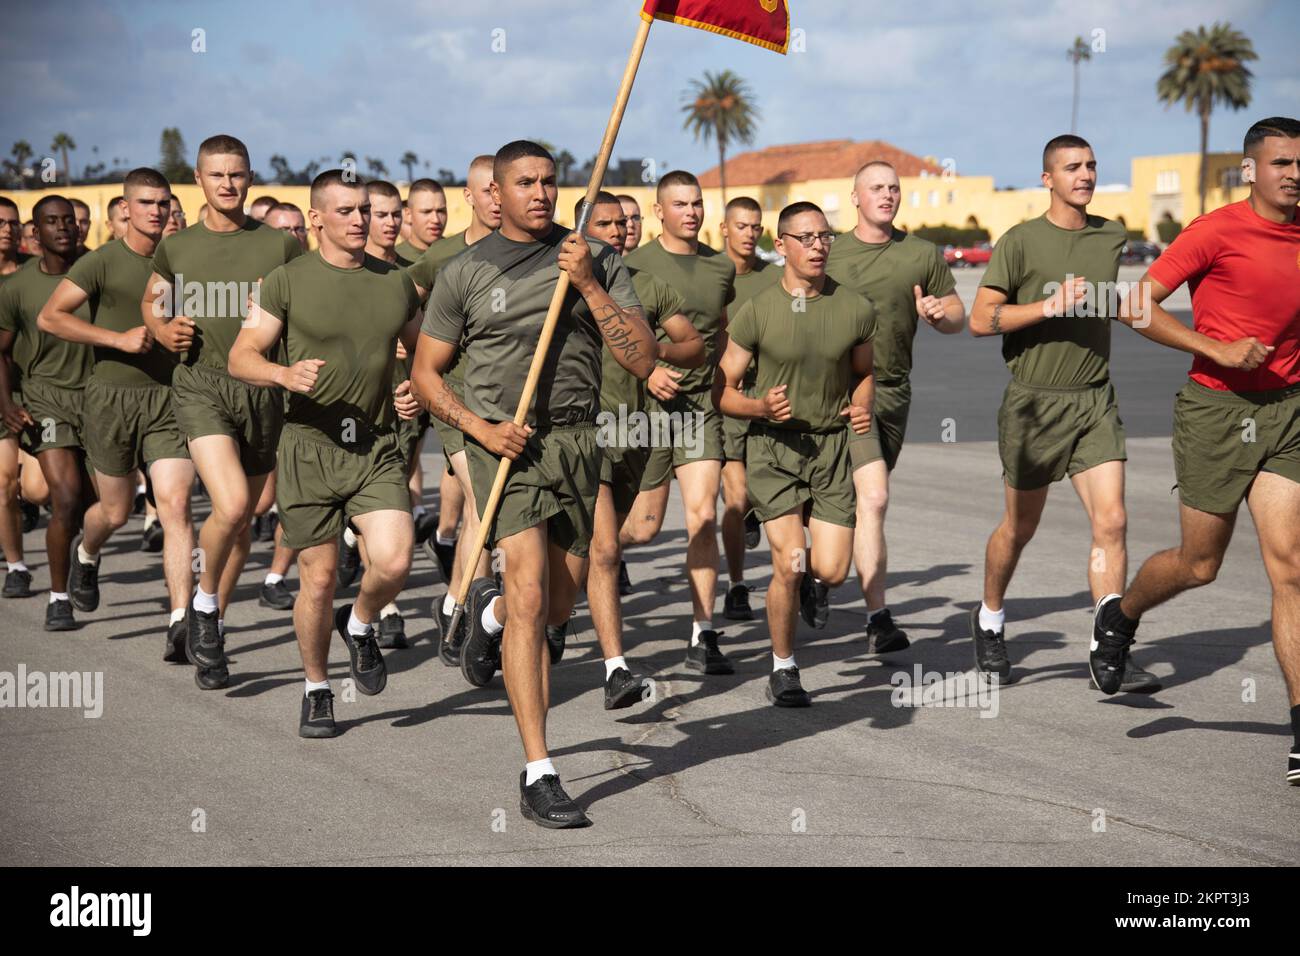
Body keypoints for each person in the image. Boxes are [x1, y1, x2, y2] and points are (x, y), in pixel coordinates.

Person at [412, 140, 657, 828]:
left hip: (578, 441)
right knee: (525, 592)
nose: (541, 193)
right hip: (506, 442)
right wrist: (478, 430)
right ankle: (540, 771)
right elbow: (427, 376)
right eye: (525, 182)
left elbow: (641, 359)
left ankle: (483, 622)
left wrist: (587, 285)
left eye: (551, 182)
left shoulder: (596, 259)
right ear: (498, 190)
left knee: (556, 605)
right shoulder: (465, 271)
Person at [1101, 117, 1300, 784]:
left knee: (1290, 565)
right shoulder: (1216, 231)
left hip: (1289, 414)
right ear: (1250, 170)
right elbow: (1135, 306)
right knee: (1199, 564)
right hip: (1217, 412)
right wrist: (1216, 348)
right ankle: (1123, 618)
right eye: (1280, 163)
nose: (1294, 173)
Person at [230, 168, 424, 738]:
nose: (361, 220)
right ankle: (317, 687)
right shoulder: (284, 283)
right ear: (316, 219)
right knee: (315, 579)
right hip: (309, 448)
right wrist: (283, 373)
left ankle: (359, 622)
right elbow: (242, 356)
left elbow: (420, 357)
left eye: (365, 209)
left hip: (376, 446)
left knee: (392, 561)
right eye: (346, 211)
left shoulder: (396, 283)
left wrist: (412, 389)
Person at [967, 135, 1156, 692]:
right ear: (1047, 178)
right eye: (1072, 167)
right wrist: (1050, 305)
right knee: (1020, 528)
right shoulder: (1020, 241)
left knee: (1114, 521)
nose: (1086, 174)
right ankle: (990, 618)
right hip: (1033, 402)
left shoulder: (1110, 235)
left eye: (1092, 165)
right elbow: (982, 320)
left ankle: (1109, 646)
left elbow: (1120, 304)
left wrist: (1207, 341)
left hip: (1094, 397)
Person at [141, 133, 303, 690]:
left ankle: (209, 617)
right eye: (217, 175)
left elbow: (305, 306)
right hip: (202, 385)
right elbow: (153, 300)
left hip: (262, 391)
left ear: (251, 178)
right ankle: (201, 607)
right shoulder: (177, 247)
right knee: (232, 506)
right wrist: (164, 328)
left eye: (237, 175)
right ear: (199, 180)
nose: (228, 185)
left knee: (248, 513)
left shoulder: (280, 245)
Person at [716, 202, 875, 705]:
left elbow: (865, 373)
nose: (818, 246)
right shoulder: (758, 310)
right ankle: (784, 667)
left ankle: (814, 585)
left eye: (825, 236)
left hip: (830, 448)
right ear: (781, 245)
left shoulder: (855, 307)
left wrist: (862, 406)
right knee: (789, 561)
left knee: (831, 570)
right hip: (775, 451)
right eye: (805, 238)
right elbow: (723, 389)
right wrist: (759, 405)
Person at [38, 168, 196, 658]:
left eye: (163, 202)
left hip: (170, 397)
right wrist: (117, 339)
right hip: (110, 399)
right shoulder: (103, 262)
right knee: (115, 509)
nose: (156, 210)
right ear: (125, 208)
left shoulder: (185, 260)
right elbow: (51, 316)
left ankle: (181, 621)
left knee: (174, 505)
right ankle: (87, 553)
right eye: (145, 203)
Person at [824, 160, 965, 650]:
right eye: (877, 188)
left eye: (894, 188)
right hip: (840, 396)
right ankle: (878, 618)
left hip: (895, 393)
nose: (887, 195)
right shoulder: (832, 253)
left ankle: (818, 574)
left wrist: (939, 314)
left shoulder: (921, 254)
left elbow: (957, 316)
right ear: (856, 197)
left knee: (860, 505)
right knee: (874, 499)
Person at [582, 190, 704, 706]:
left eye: (621, 223)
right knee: (605, 549)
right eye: (604, 224)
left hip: (641, 428)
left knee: (644, 529)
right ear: (582, 232)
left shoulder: (646, 286)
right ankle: (616, 669)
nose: (616, 231)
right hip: (586, 433)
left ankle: (558, 589)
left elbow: (695, 346)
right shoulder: (556, 287)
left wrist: (658, 357)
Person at [623, 170, 735, 674]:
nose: (691, 212)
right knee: (641, 530)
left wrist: (726, 386)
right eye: (681, 204)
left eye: (697, 204)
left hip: (697, 413)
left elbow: (723, 333)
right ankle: (583, 560)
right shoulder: (632, 265)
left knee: (702, 516)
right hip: (641, 414)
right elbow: (614, 337)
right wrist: (647, 373)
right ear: (658, 211)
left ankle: (702, 631)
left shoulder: (721, 268)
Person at [408, 155, 501, 666]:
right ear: (469, 196)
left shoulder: (522, 253)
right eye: (484, 190)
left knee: (475, 511)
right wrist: (408, 362)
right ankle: (481, 614)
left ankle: (453, 604)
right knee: (482, 499)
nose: (493, 198)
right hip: (452, 396)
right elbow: (404, 309)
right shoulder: (439, 257)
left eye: (498, 189)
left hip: (506, 401)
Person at [0, 195, 93, 630]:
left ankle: (84, 557)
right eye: (51, 222)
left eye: (69, 220)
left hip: (99, 400)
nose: (63, 228)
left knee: (97, 505)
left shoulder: (98, 270)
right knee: (66, 496)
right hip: (45, 399)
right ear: (34, 233)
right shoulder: (16, 287)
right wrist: (8, 404)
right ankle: (59, 599)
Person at [717, 196, 780, 621]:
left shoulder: (775, 278)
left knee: (776, 498)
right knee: (736, 499)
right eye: (742, 226)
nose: (750, 234)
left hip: (769, 396)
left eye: (756, 227)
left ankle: (801, 581)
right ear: (724, 228)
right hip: (723, 398)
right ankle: (737, 584)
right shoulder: (709, 275)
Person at [396, 178, 447, 261]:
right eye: (426, 212)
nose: (436, 220)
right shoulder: (392, 261)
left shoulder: (462, 256)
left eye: (441, 211)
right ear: (408, 214)